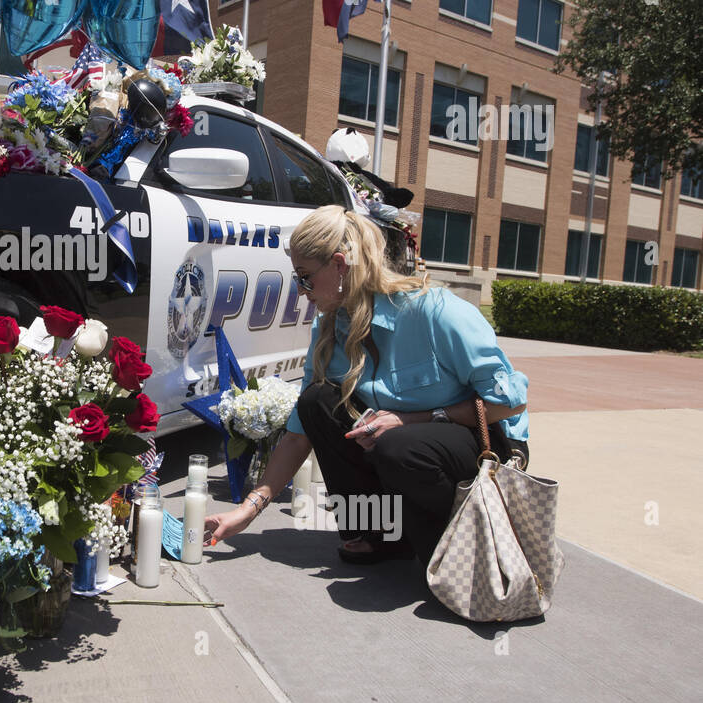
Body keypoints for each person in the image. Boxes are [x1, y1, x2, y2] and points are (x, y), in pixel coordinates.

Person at [205, 204, 529, 570]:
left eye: (306, 277)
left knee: (397, 443)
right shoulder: (328, 329)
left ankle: (459, 550)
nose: (301, 290)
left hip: (483, 445)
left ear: (340, 265)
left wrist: (411, 420)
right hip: (409, 452)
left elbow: (508, 404)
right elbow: (298, 435)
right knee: (318, 402)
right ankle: (381, 533)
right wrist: (248, 510)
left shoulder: (436, 312)